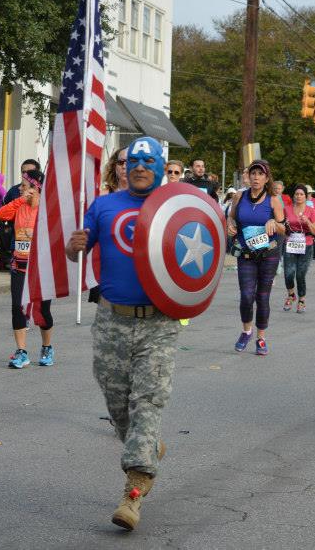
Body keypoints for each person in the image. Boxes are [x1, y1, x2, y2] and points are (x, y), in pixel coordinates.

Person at [65, 136, 177, 532]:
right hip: (112, 319)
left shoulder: (176, 207)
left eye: (149, 160)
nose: (141, 166)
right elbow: (75, 250)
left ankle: (133, 492)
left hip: (159, 324)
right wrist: (73, 245)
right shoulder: (104, 205)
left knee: (147, 401)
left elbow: (204, 254)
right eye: (134, 161)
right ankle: (146, 443)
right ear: (124, 167)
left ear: (161, 166)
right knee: (118, 404)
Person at [0, 170, 54, 368]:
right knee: (17, 307)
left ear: (36, 188)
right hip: (19, 266)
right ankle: (21, 352)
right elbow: (1, 214)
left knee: (42, 311)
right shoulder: (19, 206)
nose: (20, 189)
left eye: (24, 185)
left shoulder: (47, 210)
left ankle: (47, 346)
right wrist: (20, 200)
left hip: (41, 268)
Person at [228, 159, 285, 355]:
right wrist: (230, 225)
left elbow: (285, 228)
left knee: (262, 297)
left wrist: (273, 222)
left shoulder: (273, 199)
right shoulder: (239, 197)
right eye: (253, 173)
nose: (256, 177)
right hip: (246, 254)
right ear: (248, 176)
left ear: (266, 178)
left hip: (268, 254)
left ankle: (261, 338)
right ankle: (246, 331)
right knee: (246, 296)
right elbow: (232, 217)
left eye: (260, 174)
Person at [282, 184, 315, 313]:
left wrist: (307, 221)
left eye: (301, 194)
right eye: (296, 194)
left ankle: (302, 299)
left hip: (306, 244)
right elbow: (281, 228)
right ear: (293, 196)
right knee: (288, 273)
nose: (298, 196)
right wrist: (284, 225)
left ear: (305, 196)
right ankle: (291, 294)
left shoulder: (311, 210)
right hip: (290, 243)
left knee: (300, 274)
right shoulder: (286, 209)